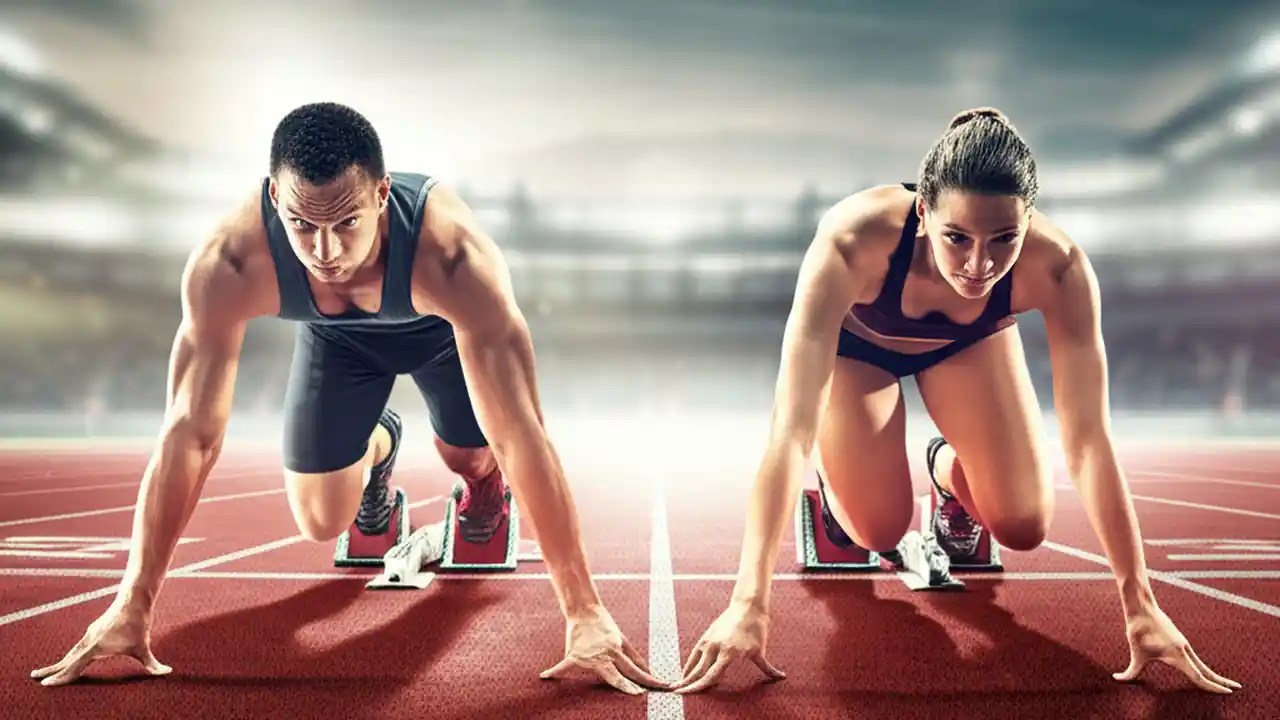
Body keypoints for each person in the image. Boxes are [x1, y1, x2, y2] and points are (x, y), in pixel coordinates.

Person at [31, 102, 664, 695]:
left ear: (382, 195)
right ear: (275, 197)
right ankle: (378, 444)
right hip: (338, 345)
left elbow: (522, 432)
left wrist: (583, 611)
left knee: (471, 455)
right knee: (319, 521)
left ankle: (482, 495)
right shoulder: (227, 263)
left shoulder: (454, 261)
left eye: (347, 223)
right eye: (302, 224)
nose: (325, 251)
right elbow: (190, 435)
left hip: (441, 338)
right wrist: (132, 602)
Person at [675, 108, 1241, 695]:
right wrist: (750, 601)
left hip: (964, 345)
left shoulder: (1062, 267)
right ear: (923, 211)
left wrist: (1140, 604)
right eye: (957, 238)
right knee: (879, 528)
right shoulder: (849, 243)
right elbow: (789, 430)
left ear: (1029, 220)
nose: (979, 266)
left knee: (1023, 524)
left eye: (1005, 240)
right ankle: (832, 502)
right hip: (855, 352)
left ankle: (943, 471)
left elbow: (1090, 443)